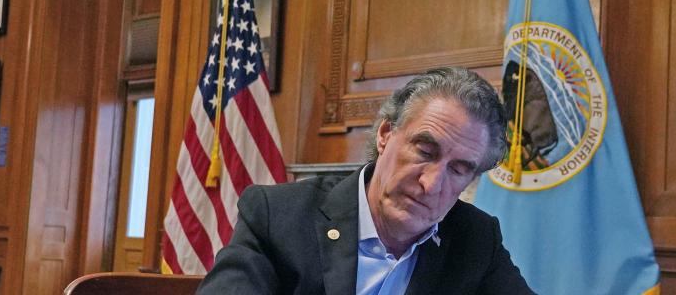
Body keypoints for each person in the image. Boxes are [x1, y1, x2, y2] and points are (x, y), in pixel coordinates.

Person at [198, 66, 536, 294]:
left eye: (459, 169)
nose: (432, 184)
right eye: (425, 152)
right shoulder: (279, 216)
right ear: (386, 134)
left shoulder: (474, 238)